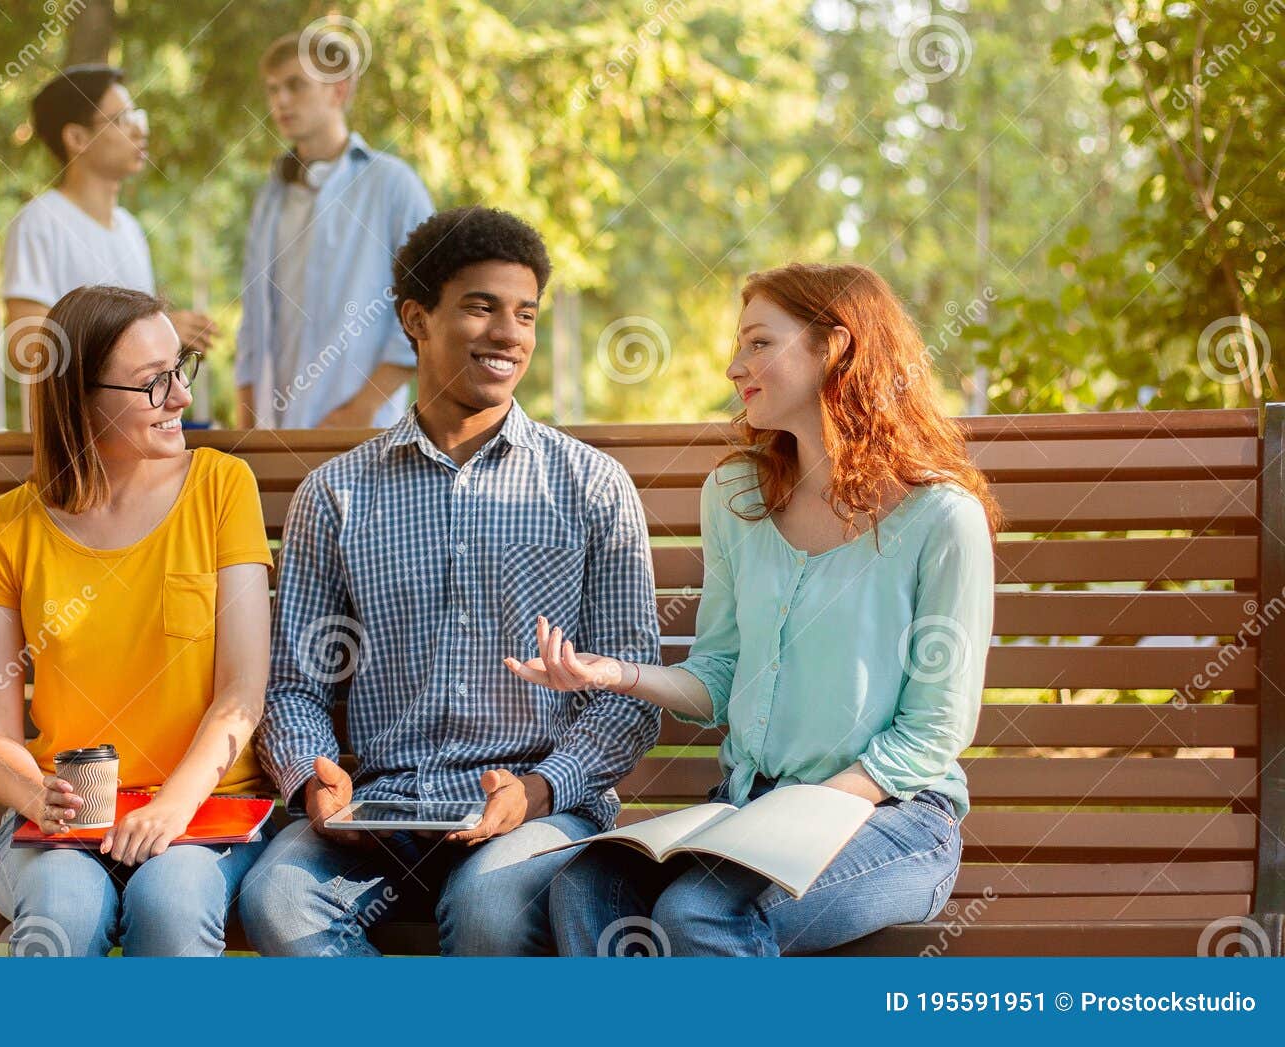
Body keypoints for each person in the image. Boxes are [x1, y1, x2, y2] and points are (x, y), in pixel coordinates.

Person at [507, 262, 998, 957]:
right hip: (752, 807)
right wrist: (613, 673)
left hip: (893, 818)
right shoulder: (736, 494)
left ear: (834, 346)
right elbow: (720, 675)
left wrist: (804, 811)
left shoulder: (942, 517)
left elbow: (934, 731)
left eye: (759, 343)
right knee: (589, 887)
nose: (736, 366)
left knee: (701, 914)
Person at [238, 207, 661, 955]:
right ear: (416, 318)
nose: (509, 333)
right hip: (377, 814)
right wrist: (313, 779)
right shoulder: (336, 495)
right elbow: (295, 686)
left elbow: (630, 695)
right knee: (279, 899)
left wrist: (540, 788)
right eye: (481, 306)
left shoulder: (591, 486)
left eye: (525, 313)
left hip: (537, 808)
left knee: (490, 908)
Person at [0, 285, 274, 956]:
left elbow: (241, 694)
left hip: (204, 810)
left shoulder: (221, 487)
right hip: (71, 820)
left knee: (170, 900)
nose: (182, 397)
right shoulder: (4, 529)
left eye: (180, 369)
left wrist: (171, 808)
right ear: (80, 397)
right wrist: (35, 794)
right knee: (62, 909)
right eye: (151, 384)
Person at [233, 27, 433, 429]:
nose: (281, 101)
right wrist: (248, 415)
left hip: (365, 434)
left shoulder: (392, 184)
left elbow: (428, 306)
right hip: (277, 432)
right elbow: (253, 321)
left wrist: (360, 410)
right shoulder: (270, 197)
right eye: (273, 89)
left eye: (295, 85)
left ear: (338, 92)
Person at [2, 66, 214, 378]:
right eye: (121, 120)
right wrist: (154, 332)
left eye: (137, 117)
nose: (140, 131)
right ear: (77, 138)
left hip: (136, 423)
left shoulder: (131, 230)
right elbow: (28, 345)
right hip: (73, 427)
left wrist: (168, 344)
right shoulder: (39, 222)